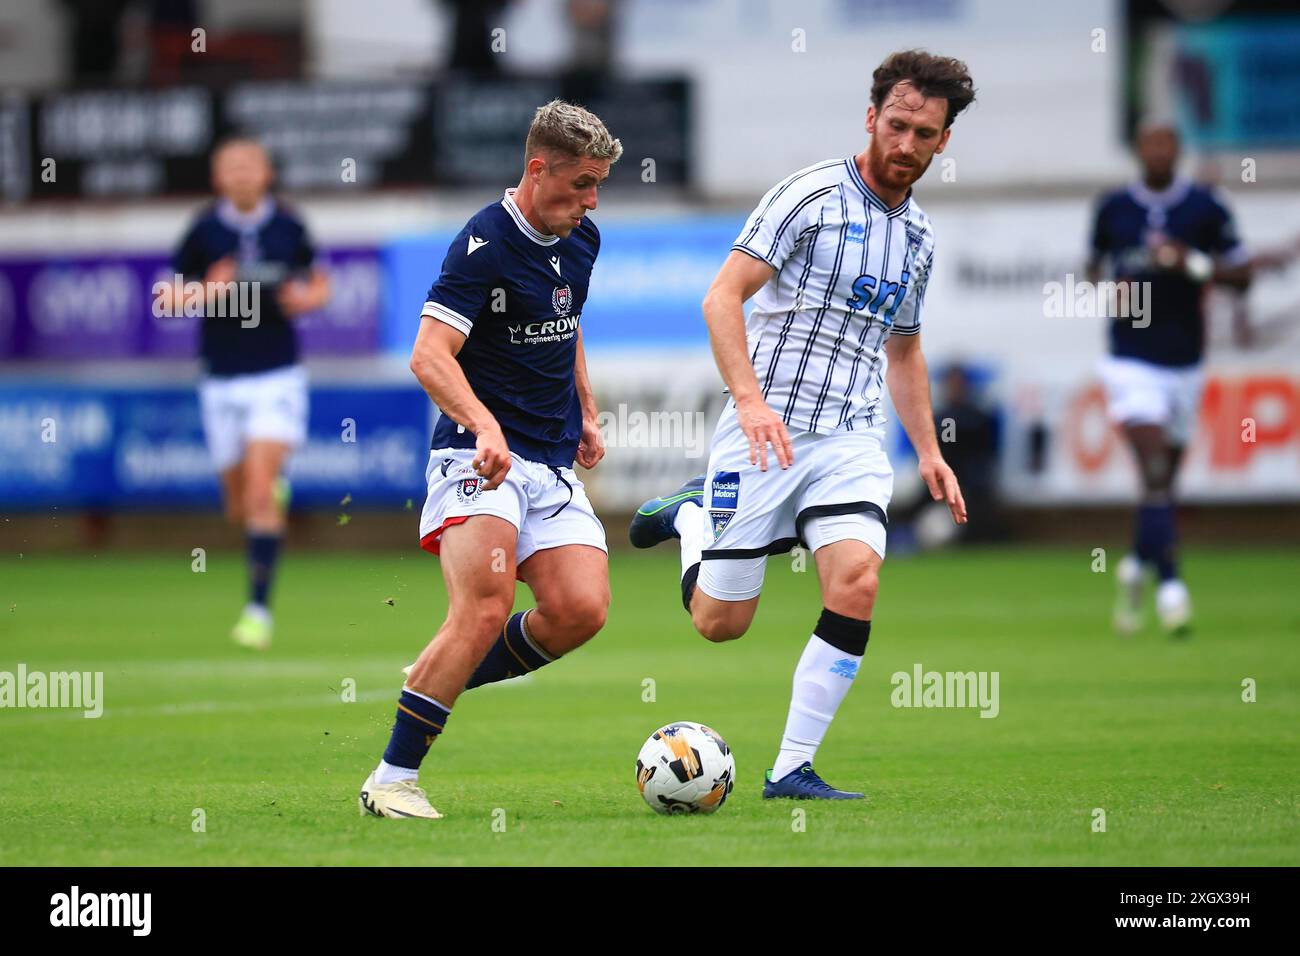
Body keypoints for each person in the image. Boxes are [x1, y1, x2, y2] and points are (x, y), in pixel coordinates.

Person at [630, 51, 974, 799]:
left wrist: (928, 449)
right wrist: (749, 401)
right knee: (721, 623)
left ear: (943, 143)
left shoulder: (918, 237)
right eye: (897, 124)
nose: (907, 144)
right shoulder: (808, 196)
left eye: (925, 133)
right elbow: (722, 298)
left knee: (857, 580)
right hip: (764, 430)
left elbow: (906, 352)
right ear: (871, 118)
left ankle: (790, 768)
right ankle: (692, 515)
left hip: (850, 437)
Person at [359, 101, 621, 820]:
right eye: (581, 184)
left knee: (579, 610)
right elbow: (428, 354)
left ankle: (438, 679)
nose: (591, 200)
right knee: (484, 608)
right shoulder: (483, 243)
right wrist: (482, 426)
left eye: (599, 185)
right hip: (479, 461)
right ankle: (391, 779)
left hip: (550, 462)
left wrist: (587, 411)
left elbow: (567, 327)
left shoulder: (582, 237)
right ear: (538, 170)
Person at [1087, 121, 1250, 636]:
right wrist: (1112, 286)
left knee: (1162, 482)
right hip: (1130, 359)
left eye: (1168, 143)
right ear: (1138, 150)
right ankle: (1172, 588)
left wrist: (1192, 265)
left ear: (1178, 151)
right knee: (1155, 466)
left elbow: (1241, 276)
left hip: (1185, 362)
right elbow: (1093, 266)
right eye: (1150, 143)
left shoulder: (1205, 207)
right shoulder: (1114, 207)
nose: (1159, 151)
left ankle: (1137, 564)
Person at [171, 137, 331, 651]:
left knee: (261, 495)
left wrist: (304, 300)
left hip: (276, 375)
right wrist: (205, 291)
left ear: (266, 173)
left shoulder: (288, 227)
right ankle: (267, 496)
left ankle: (257, 611)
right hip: (220, 379)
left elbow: (320, 284)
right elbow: (167, 298)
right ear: (218, 178)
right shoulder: (203, 231)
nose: (241, 175)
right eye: (230, 167)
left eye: (250, 165)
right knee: (239, 506)